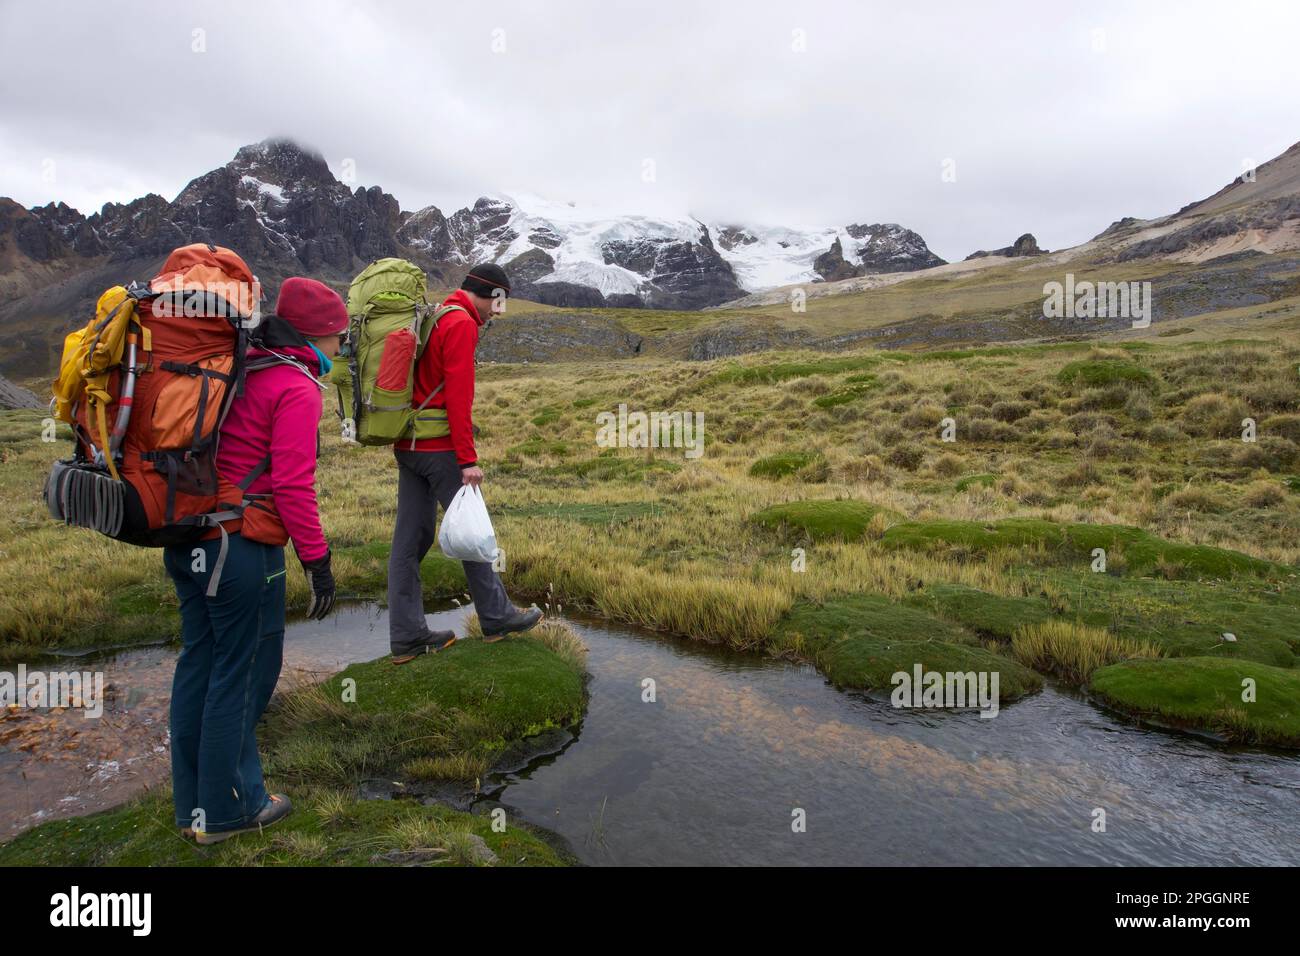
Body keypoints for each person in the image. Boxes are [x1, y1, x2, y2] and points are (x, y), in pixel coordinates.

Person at [164, 276, 344, 844]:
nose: (343, 348)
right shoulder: (296, 385)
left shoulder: (240, 366)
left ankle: (191, 806)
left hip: (189, 536)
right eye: (340, 337)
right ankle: (230, 812)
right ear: (317, 334)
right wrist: (317, 561)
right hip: (241, 549)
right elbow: (293, 485)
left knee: (201, 663)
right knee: (241, 679)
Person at [387, 264, 542, 663]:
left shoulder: (438, 315)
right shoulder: (461, 324)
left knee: (409, 542)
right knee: (474, 533)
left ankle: (407, 637)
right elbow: (458, 395)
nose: (498, 312)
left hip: (409, 443)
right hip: (439, 448)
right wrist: (468, 459)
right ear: (487, 293)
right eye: (498, 302)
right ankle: (496, 616)